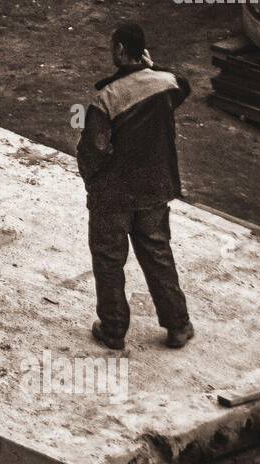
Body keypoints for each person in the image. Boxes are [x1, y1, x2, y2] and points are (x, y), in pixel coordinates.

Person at [76, 23, 194, 351]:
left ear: (119, 51)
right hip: (155, 189)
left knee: (109, 259)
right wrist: (152, 68)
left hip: (114, 194)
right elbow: (183, 86)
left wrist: (92, 182)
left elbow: (94, 149)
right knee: (157, 253)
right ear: (142, 51)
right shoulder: (166, 84)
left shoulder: (106, 99)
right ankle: (178, 325)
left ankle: (113, 329)